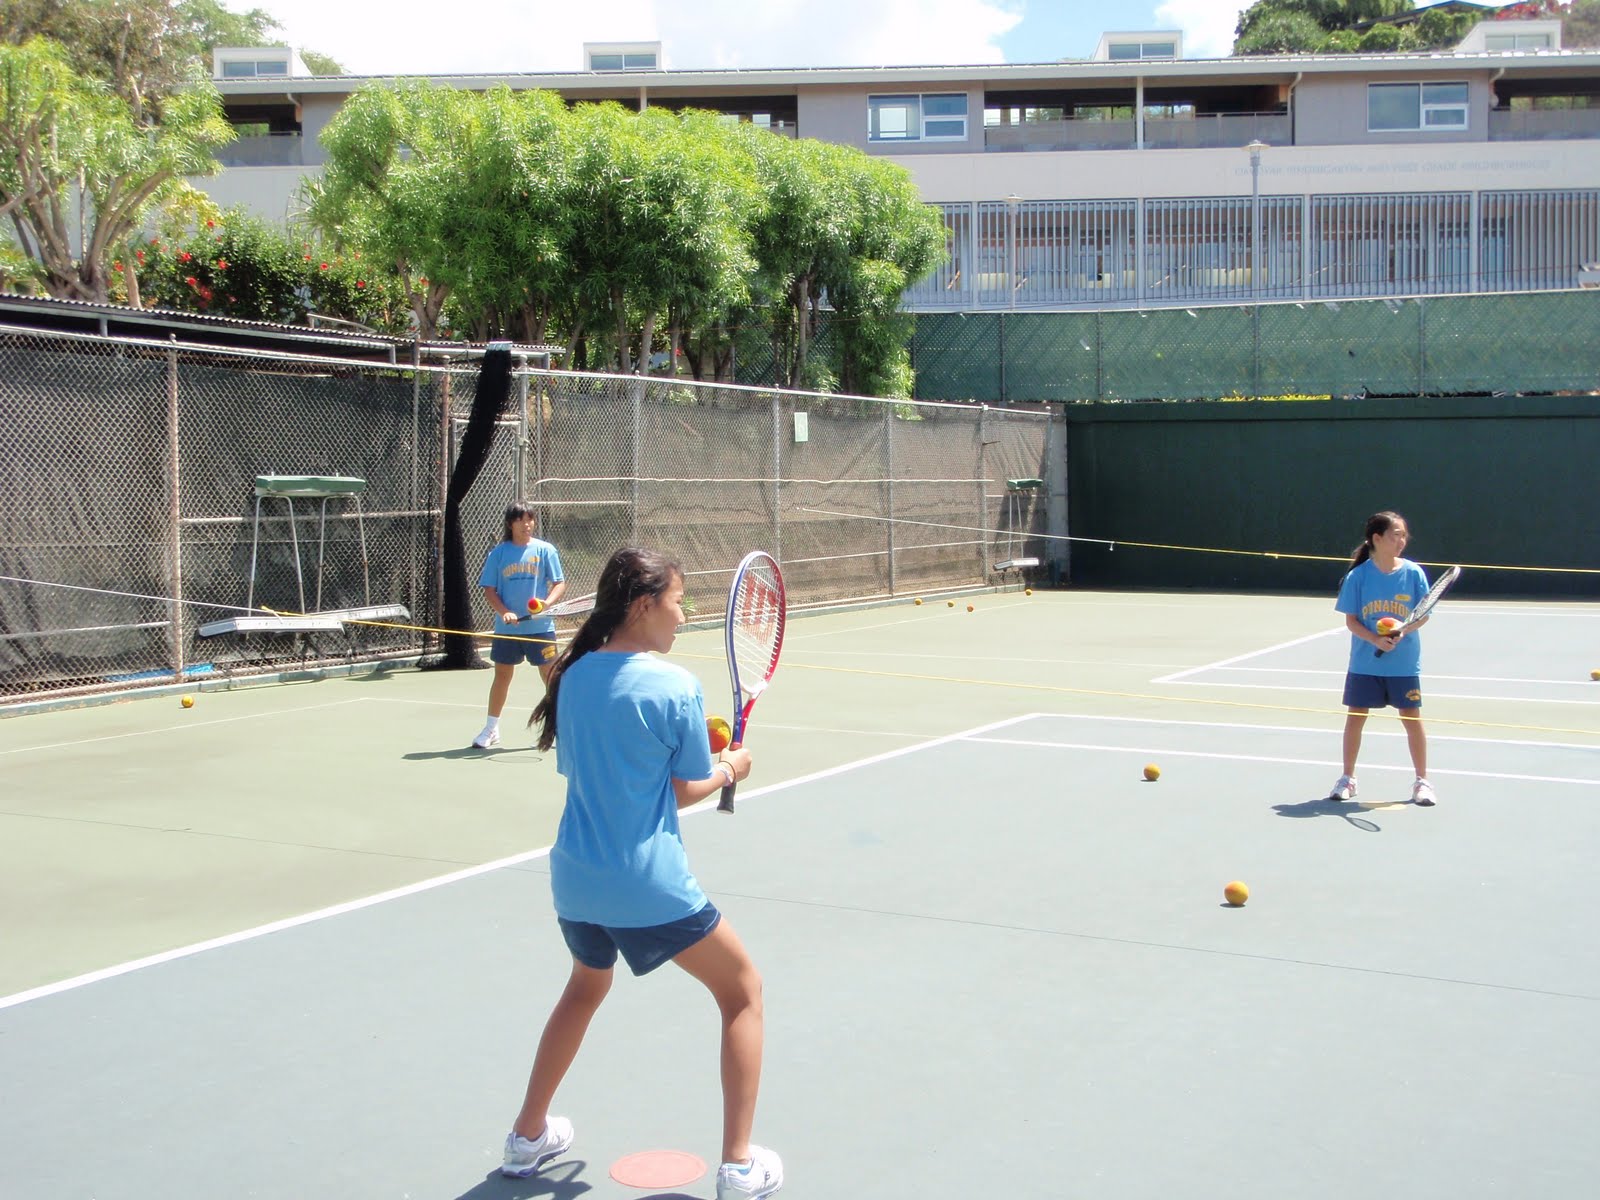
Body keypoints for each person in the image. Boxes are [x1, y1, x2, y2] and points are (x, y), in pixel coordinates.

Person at [499, 547, 782, 1200]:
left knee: (583, 989)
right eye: (678, 604)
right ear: (644, 605)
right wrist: (730, 768)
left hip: (575, 880)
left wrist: (685, 760)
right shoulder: (675, 685)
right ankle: (739, 1167)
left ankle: (527, 1136)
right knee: (743, 991)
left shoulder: (568, 677)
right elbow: (684, 791)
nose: (683, 618)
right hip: (646, 884)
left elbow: (606, 773)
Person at [1330, 511, 1435, 807]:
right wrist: (1376, 640)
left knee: (1411, 719)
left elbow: (1423, 615)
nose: (1401, 540)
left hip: (1404, 664)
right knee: (1356, 717)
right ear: (1377, 539)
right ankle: (1347, 778)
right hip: (1365, 664)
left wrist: (1405, 630)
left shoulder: (1413, 573)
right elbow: (1351, 621)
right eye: (1395, 535)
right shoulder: (1358, 576)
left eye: (1404, 535)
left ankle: (1422, 782)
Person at [472, 502, 565, 749]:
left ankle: (563, 726)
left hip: (541, 627)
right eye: (521, 520)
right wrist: (505, 613)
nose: (527, 524)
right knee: (502, 676)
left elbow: (559, 583)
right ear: (510, 524)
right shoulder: (499, 553)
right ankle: (491, 729)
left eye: (530, 519)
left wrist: (548, 603)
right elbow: (489, 590)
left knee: (550, 676)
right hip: (508, 630)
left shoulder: (546, 551)